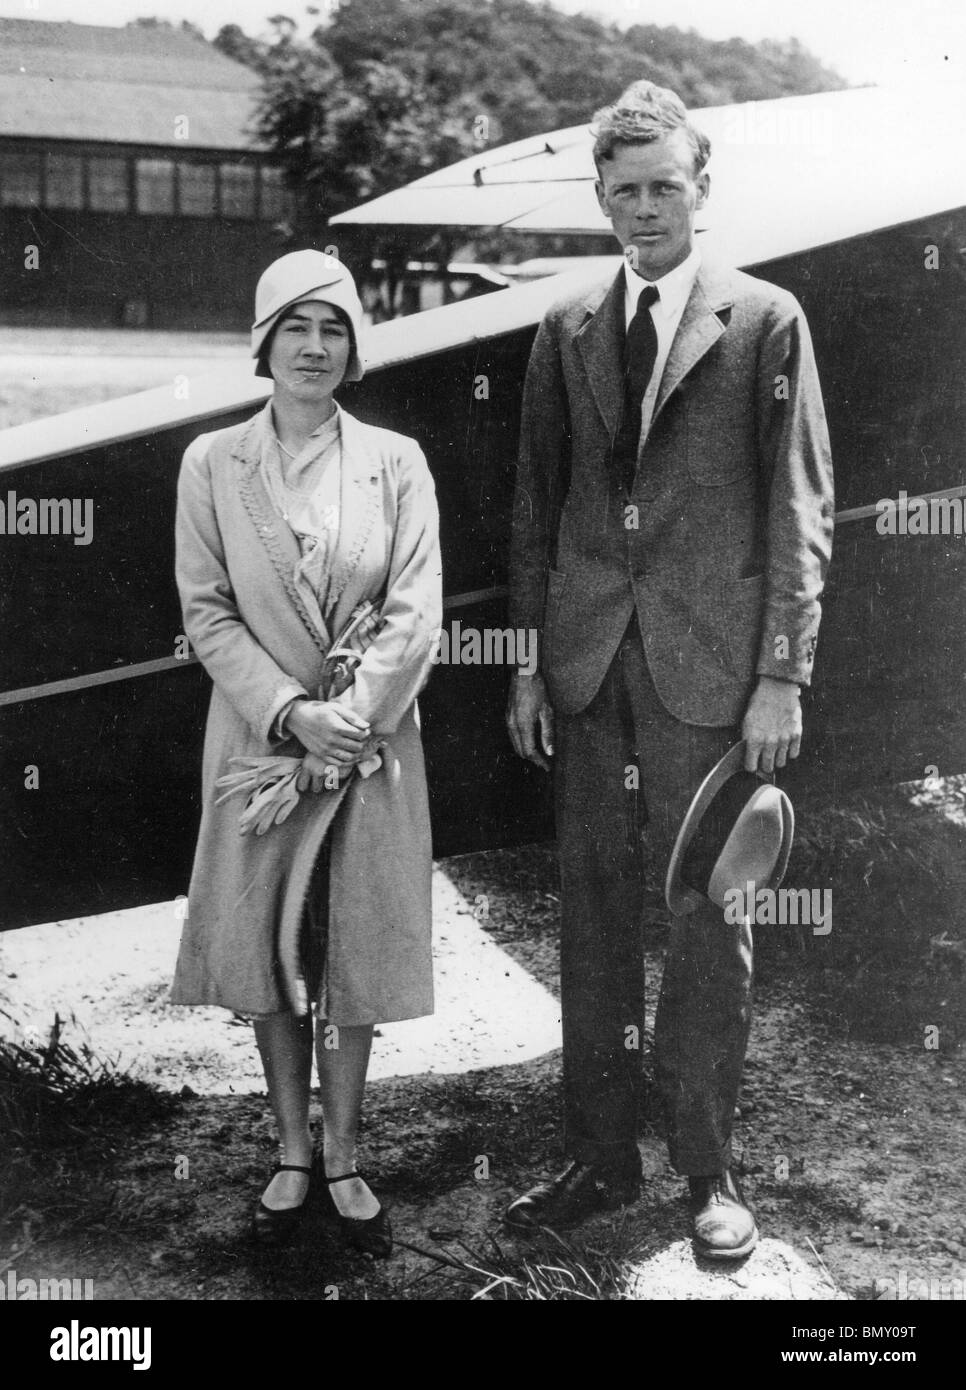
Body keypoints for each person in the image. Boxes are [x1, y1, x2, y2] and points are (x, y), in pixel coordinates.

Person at [505, 81, 834, 1257]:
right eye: (623, 189)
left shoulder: (766, 322)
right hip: (592, 666)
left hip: (711, 671)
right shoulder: (563, 330)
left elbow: (801, 511)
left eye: (664, 185)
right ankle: (597, 1153)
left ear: (702, 186)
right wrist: (534, 666)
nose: (644, 207)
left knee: (709, 912)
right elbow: (538, 503)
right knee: (588, 915)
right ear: (599, 196)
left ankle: (708, 1168)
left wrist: (780, 676)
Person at [170, 250, 442, 1257]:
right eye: (296, 327)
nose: (315, 347)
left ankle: (344, 1149)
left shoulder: (396, 461)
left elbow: (416, 611)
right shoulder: (211, 464)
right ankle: (289, 1146)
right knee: (268, 949)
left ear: (354, 346)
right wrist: (291, 712)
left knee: (352, 944)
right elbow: (206, 610)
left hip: (369, 748)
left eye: (333, 329)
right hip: (259, 746)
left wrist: (352, 721)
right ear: (264, 342)